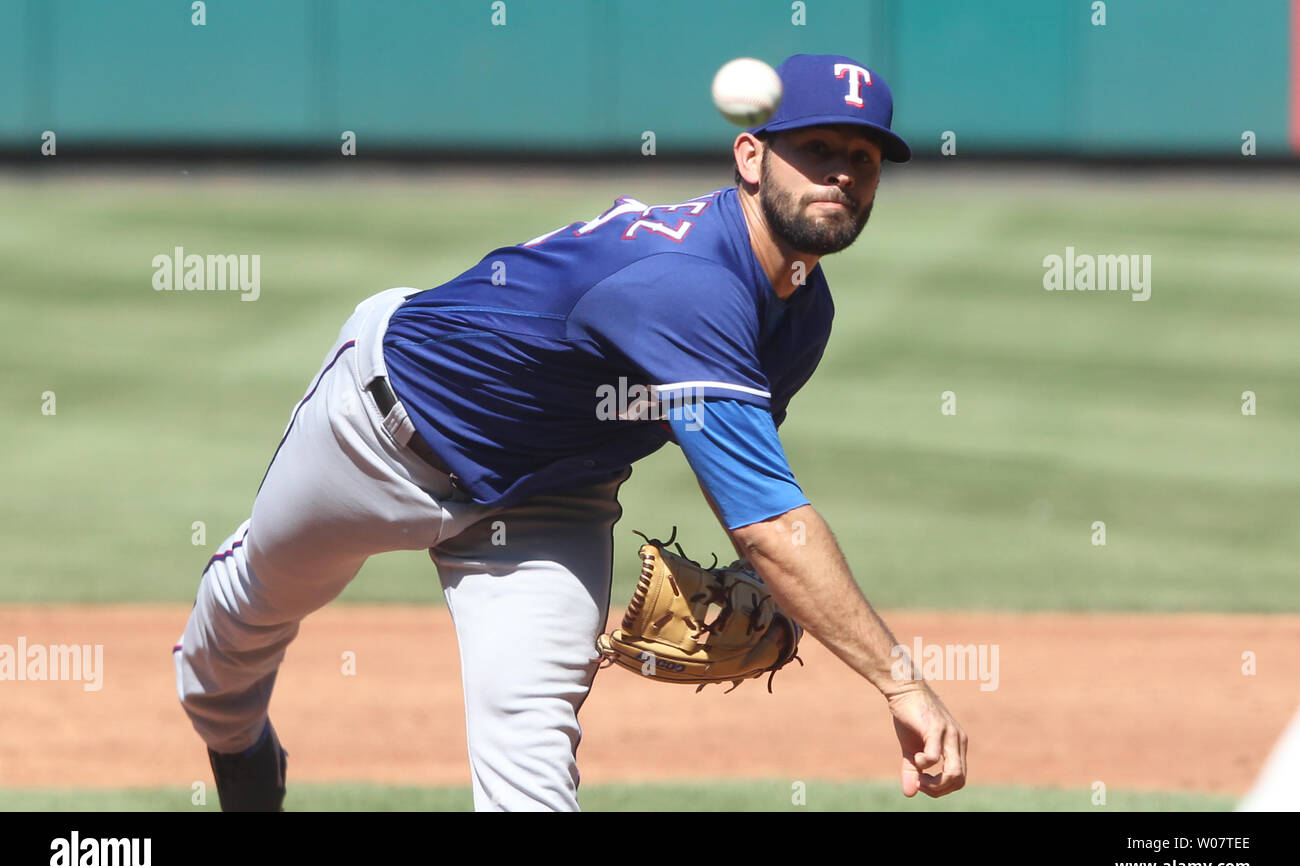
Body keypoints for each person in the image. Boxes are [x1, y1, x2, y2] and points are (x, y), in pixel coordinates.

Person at [174, 52, 967, 812]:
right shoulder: (692, 284)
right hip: (380, 434)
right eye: (818, 148)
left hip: (552, 499)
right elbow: (772, 528)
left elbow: (749, 493)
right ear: (751, 157)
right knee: (232, 649)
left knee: (532, 759)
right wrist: (900, 678)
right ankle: (241, 749)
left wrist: (775, 597)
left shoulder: (803, 314)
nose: (841, 174)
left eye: (863, 159)